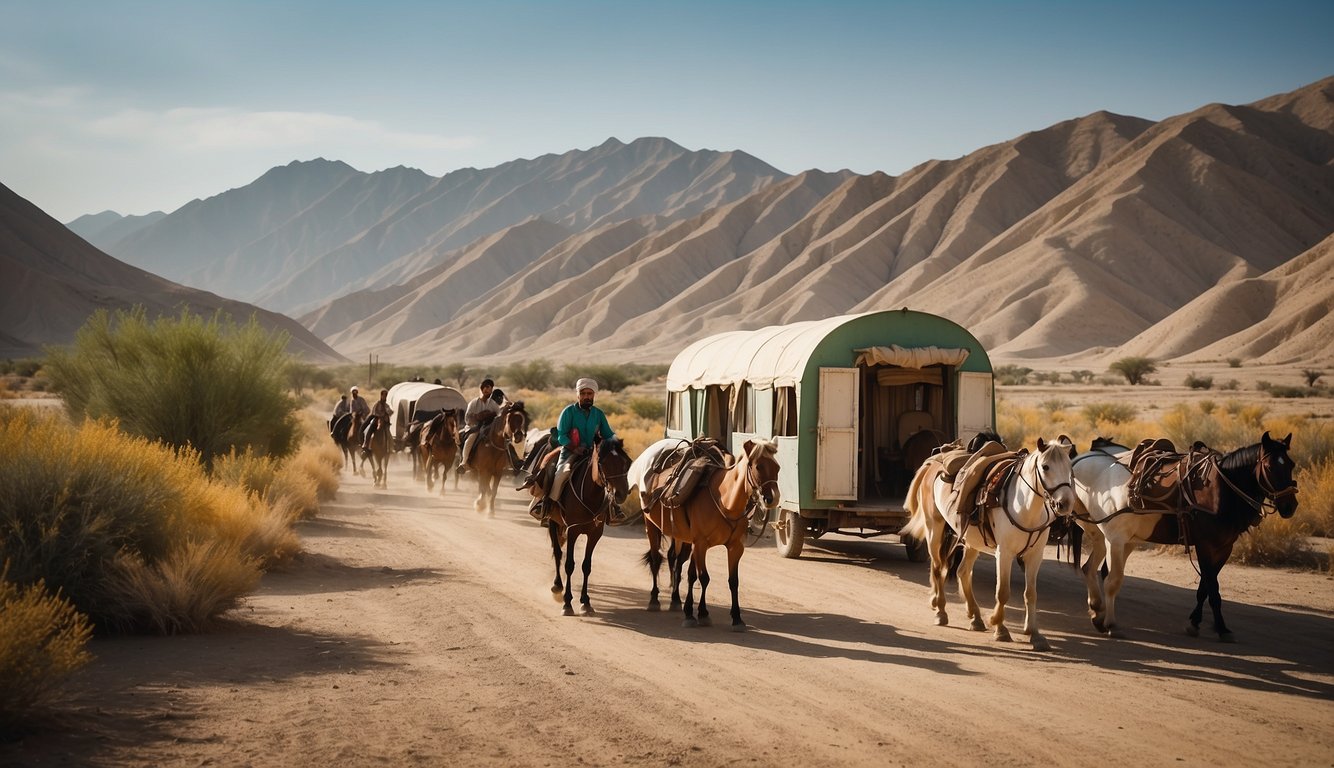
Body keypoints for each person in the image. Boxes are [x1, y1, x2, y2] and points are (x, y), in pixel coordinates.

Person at [532, 377, 622, 523]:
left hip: (592, 454)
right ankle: (547, 505)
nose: (586, 397)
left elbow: (608, 434)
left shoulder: (598, 414)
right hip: (570, 453)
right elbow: (561, 436)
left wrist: (616, 443)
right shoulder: (568, 412)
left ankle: (613, 508)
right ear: (578, 395)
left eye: (589, 394)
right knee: (561, 474)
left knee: (609, 474)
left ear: (594, 395)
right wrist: (575, 448)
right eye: (583, 393)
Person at [458, 379, 508, 472]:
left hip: (489, 428)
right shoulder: (473, 403)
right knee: (470, 439)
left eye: (490, 388)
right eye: (486, 388)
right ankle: (464, 463)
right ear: (482, 389)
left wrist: (504, 409)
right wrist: (478, 417)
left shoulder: (493, 404)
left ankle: (510, 462)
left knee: (504, 439)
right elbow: (467, 419)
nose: (487, 390)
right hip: (475, 428)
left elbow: (499, 416)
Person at [361, 388, 392, 452]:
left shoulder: (386, 405)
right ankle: (366, 443)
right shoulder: (377, 404)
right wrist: (380, 415)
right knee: (370, 429)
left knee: (388, 434)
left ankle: (390, 448)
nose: (384, 397)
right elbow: (374, 411)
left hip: (384, 421)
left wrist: (388, 412)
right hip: (377, 419)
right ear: (381, 395)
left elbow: (390, 412)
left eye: (386, 395)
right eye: (383, 395)